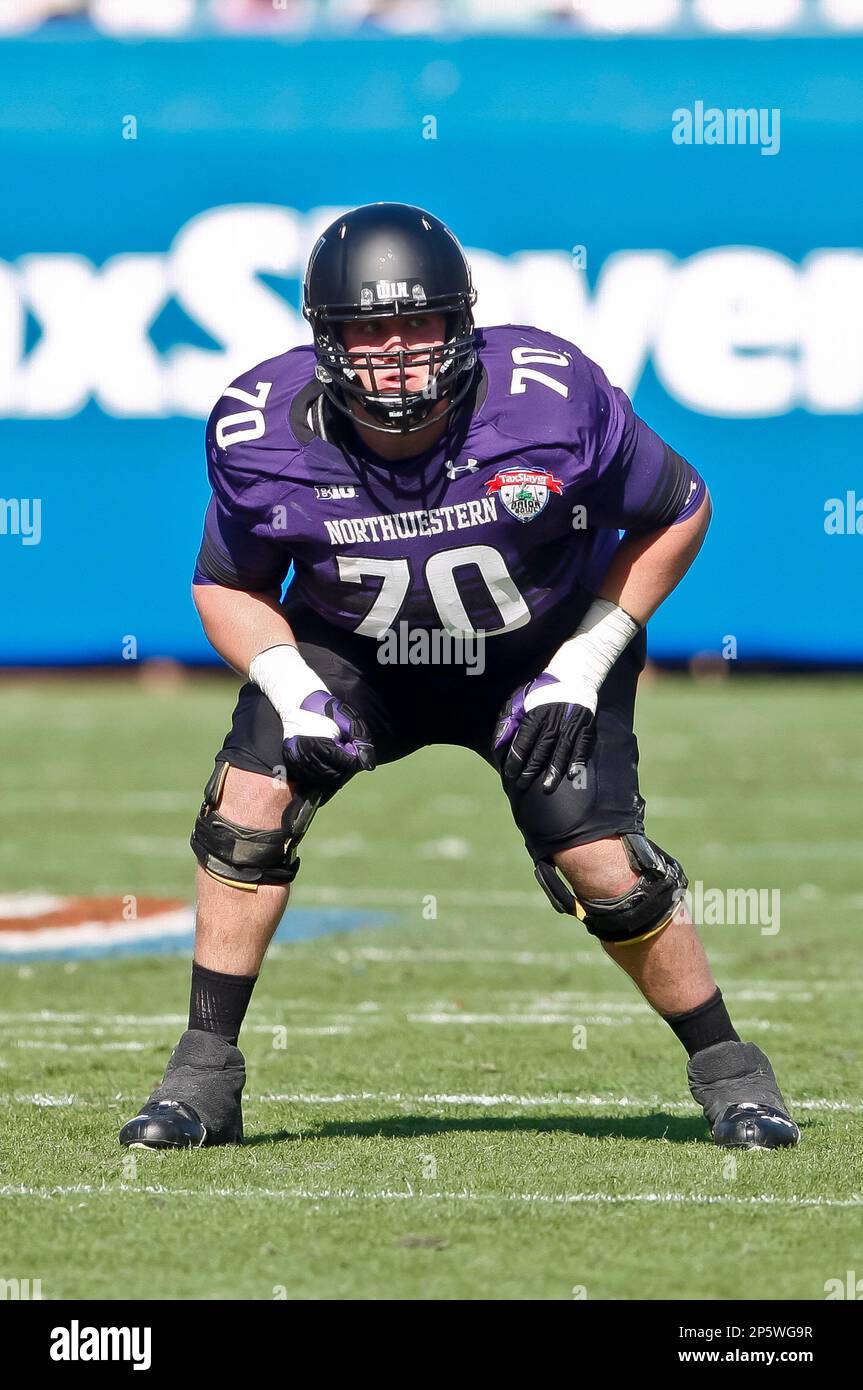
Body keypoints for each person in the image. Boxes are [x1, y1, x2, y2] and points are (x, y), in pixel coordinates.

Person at [119, 201, 799, 1152]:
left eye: (419, 325)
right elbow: (225, 585)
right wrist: (290, 683)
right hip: (357, 656)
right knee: (247, 807)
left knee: (604, 865)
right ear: (325, 341)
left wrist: (588, 657)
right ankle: (202, 1080)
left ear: (463, 325)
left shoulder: (550, 398)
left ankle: (731, 1070)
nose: (395, 353)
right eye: (367, 331)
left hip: (538, 654)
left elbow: (679, 506)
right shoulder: (259, 428)